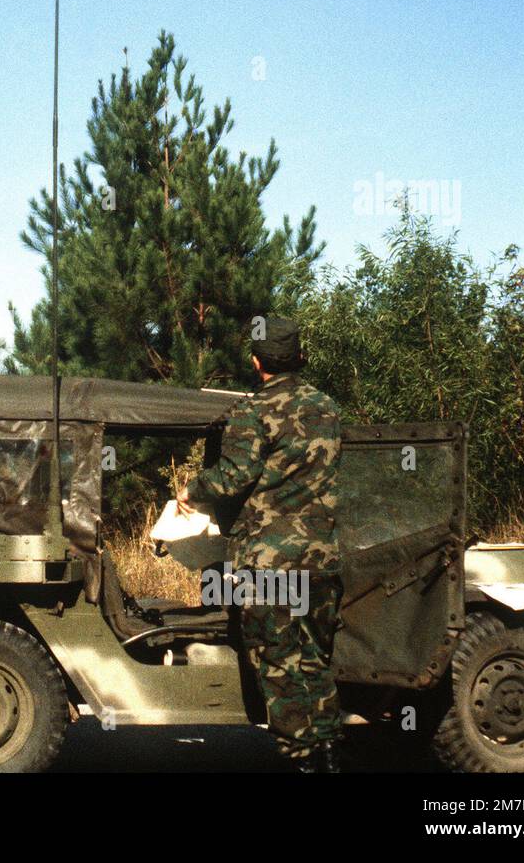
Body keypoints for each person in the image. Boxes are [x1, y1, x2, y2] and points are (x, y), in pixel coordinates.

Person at [176, 317, 344, 773]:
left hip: (271, 564)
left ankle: (301, 760)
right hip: (322, 559)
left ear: (256, 362)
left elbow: (234, 476)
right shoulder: (328, 408)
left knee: (278, 662)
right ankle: (327, 752)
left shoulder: (253, 411)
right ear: (300, 357)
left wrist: (191, 489)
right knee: (315, 658)